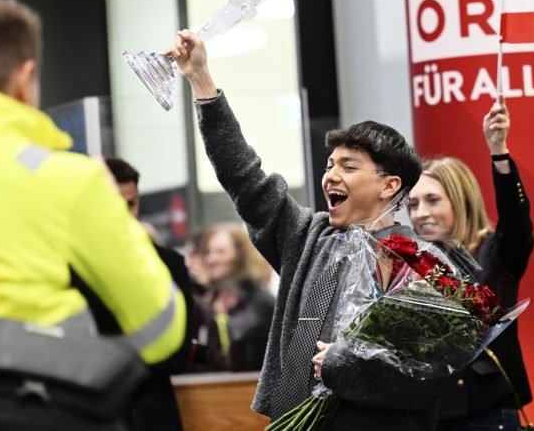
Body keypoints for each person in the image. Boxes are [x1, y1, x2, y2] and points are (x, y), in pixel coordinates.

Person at [168, 29, 451, 429]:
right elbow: (244, 177)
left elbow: (426, 372)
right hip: (295, 419)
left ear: (389, 186)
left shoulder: (421, 263)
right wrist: (202, 82)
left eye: (349, 167)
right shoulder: (307, 237)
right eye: (329, 165)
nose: (331, 175)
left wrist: (345, 364)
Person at [0, 0, 186, 427]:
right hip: (31, 407)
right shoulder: (67, 179)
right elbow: (161, 332)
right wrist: (115, 216)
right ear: (24, 80)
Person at [408, 98, 534, 431]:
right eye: (413, 204)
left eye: (433, 200)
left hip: (488, 414)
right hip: (431, 416)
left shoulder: (493, 252)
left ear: (460, 200)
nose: (421, 212)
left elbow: (517, 223)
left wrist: (499, 151)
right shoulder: (409, 264)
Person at [103, 157, 196, 430]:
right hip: (98, 412)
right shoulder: (74, 267)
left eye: (131, 203)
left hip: (152, 414)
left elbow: (177, 354)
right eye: (113, 202)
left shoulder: (170, 265)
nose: (124, 213)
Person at [199, 223, 275, 371]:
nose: (212, 259)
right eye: (208, 252)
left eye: (220, 252)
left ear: (240, 255)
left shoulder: (263, 303)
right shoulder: (203, 303)